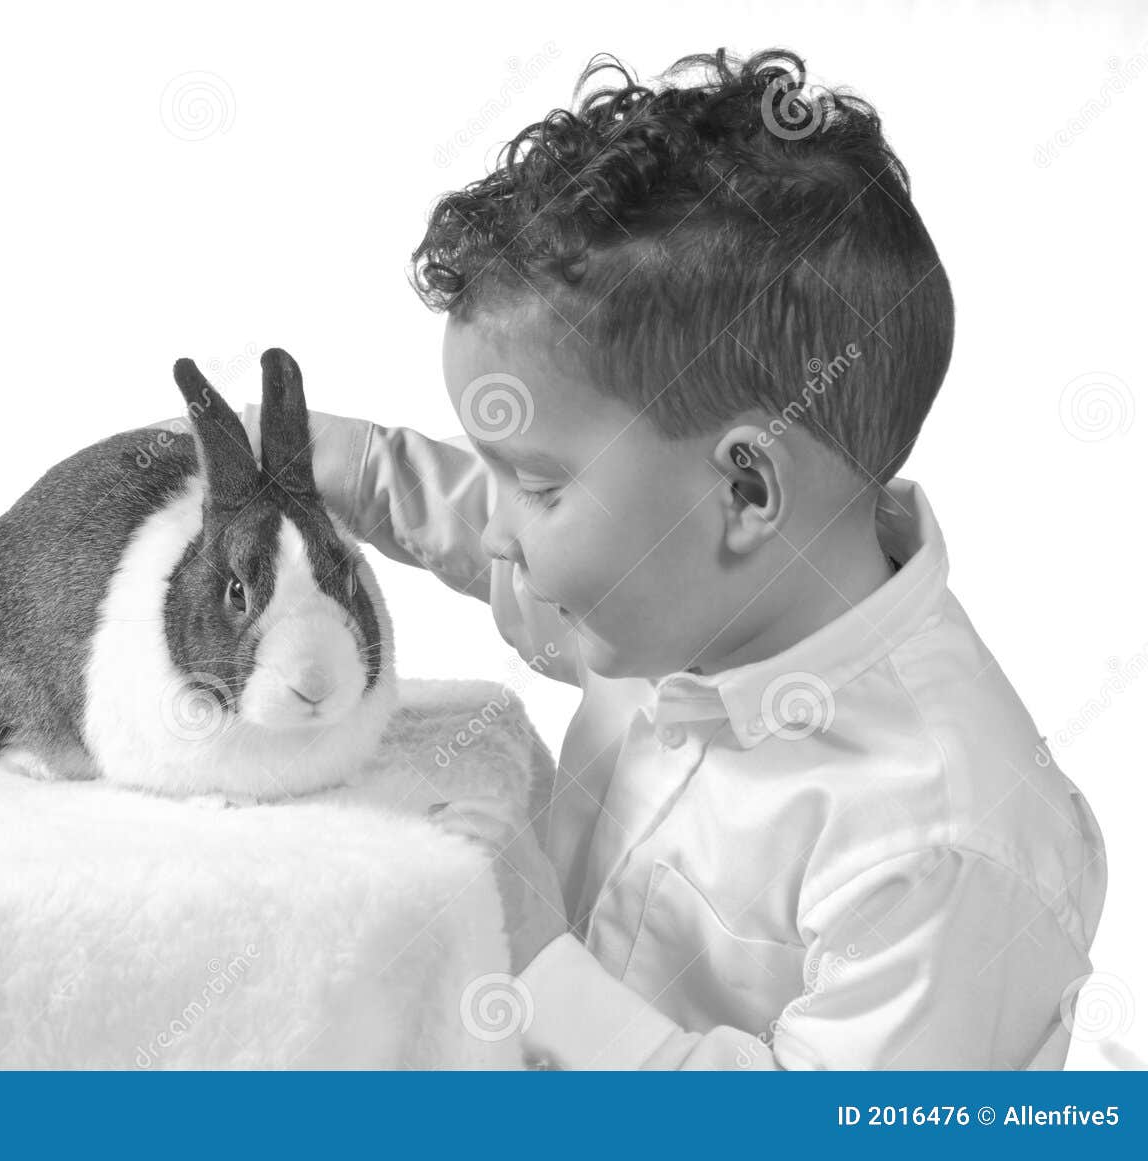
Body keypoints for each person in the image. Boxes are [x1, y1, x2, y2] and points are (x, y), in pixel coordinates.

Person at [196, 48, 1106, 1068]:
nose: (499, 533)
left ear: (746, 490)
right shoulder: (684, 592)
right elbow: (481, 522)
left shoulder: (943, 844)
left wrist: (535, 955)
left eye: (538, 486)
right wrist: (343, 468)